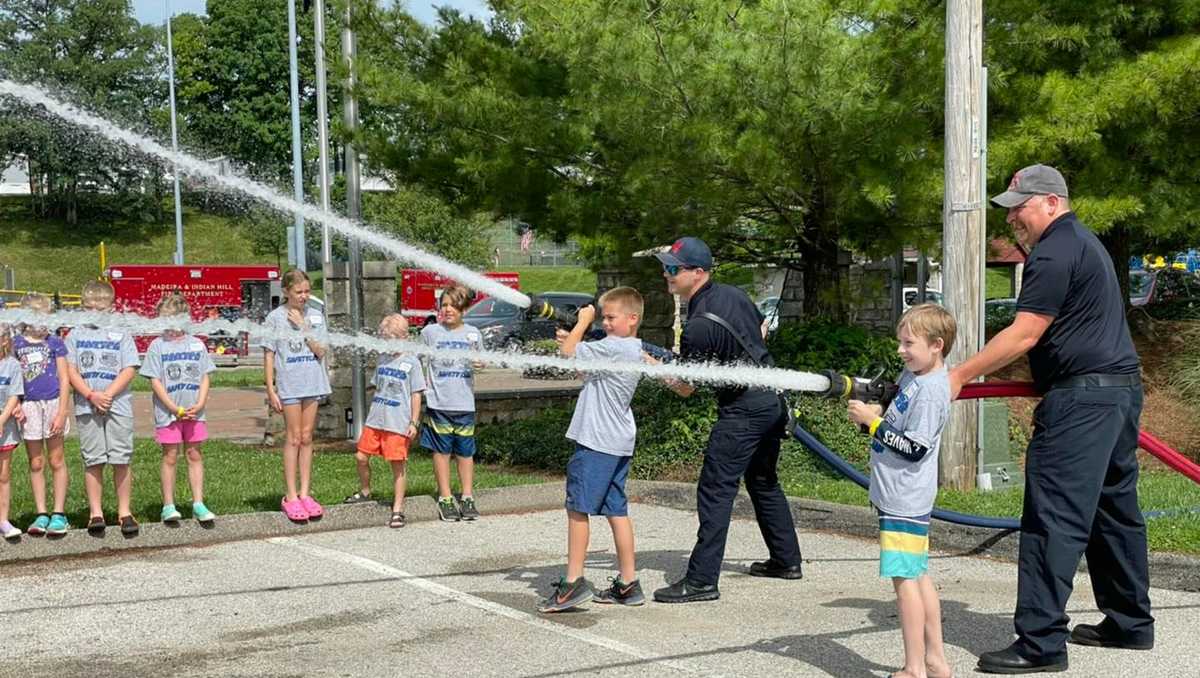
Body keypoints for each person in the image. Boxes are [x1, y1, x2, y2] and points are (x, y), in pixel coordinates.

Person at [950, 165, 1153, 674]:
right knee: (1113, 513)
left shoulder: (1055, 250)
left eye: (1021, 204)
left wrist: (958, 376)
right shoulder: (1084, 243)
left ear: (1051, 203)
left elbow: (1024, 334)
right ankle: (1130, 623)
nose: (1013, 215)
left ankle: (1040, 643)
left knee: (1053, 519)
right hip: (1119, 394)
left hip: (1082, 403)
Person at [649, 236, 803, 604]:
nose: (667, 275)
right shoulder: (732, 294)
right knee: (763, 480)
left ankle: (701, 581)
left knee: (716, 490)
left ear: (697, 273)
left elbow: (686, 389)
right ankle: (786, 560)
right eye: (666, 267)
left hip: (742, 411)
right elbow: (761, 329)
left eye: (674, 269)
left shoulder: (699, 325)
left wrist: (654, 367)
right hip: (771, 400)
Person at [847, 304, 955, 678]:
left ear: (937, 345)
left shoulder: (931, 391)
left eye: (908, 343)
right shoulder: (915, 374)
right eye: (900, 342)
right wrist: (875, 415)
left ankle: (914, 668)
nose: (900, 350)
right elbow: (895, 419)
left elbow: (915, 447)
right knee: (919, 574)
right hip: (898, 494)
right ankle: (936, 661)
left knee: (905, 582)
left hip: (904, 499)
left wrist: (872, 423)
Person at [538, 287, 646, 613]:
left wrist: (581, 324)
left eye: (611, 317)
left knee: (577, 508)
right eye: (603, 317)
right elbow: (583, 366)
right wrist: (574, 339)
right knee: (616, 510)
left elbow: (569, 356)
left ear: (632, 319)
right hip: (618, 441)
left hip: (596, 442)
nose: (606, 323)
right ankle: (628, 583)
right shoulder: (629, 348)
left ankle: (573, 583)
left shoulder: (613, 347)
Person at [66, 280, 141, 536]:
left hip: (117, 404)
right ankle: (95, 513)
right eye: (88, 308)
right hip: (87, 406)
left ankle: (124, 512)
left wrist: (107, 394)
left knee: (120, 458)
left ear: (111, 306)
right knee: (93, 459)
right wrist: (89, 394)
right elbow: (70, 369)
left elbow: (130, 367)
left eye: (99, 308)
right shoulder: (75, 334)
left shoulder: (121, 332)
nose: (93, 313)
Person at [140, 292, 217, 525]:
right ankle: (168, 505)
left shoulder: (197, 345)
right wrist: (172, 407)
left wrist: (201, 403)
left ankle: (198, 503)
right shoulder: (157, 346)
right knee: (170, 456)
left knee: (194, 454)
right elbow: (154, 380)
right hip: (168, 414)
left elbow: (205, 376)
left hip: (195, 412)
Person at [261, 269, 332, 523]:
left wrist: (303, 327)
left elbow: (321, 350)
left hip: (312, 383)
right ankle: (290, 495)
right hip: (290, 385)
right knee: (292, 438)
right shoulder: (274, 319)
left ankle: (305, 493)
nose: (303, 296)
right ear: (286, 292)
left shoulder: (315, 316)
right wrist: (271, 388)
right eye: (298, 292)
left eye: (307, 291)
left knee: (306, 437)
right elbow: (269, 355)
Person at [345, 314, 425, 529]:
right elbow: (377, 386)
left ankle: (398, 509)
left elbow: (416, 394)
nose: (386, 343)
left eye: (390, 339)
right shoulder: (382, 358)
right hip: (376, 420)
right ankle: (365, 490)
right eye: (383, 339)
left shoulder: (412, 362)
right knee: (361, 456)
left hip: (397, 423)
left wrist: (413, 422)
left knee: (397, 466)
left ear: (403, 337)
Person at [419, 285, 484, 522]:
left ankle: (467, 496)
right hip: (439, 403)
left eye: (453, 306)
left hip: (465, 403)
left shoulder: (474, 333)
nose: (447, 310)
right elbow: (419, 361)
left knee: (466, 452)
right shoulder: (430, 333)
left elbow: (480, 361)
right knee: (442, 451)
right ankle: (445, 497)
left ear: (464, 309)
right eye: (444, 305)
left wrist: (479, 364)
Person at [13, 293, 71, 537]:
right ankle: (41, 513)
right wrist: (15, 403)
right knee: (36, 462)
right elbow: (12, 378)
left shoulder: (55, 342)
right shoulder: (17, 344)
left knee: (56, 460)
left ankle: (59, 513)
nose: (43, 324)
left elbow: (65, 378)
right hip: (29, 408)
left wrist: (62, 411)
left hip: (53, 404)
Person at [0, 325, 25, 540]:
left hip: (4, 427)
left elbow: (14, 395)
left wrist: (1, 420)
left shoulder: (12, 366)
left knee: (3, 475)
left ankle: (3, 520)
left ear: (5, 341)